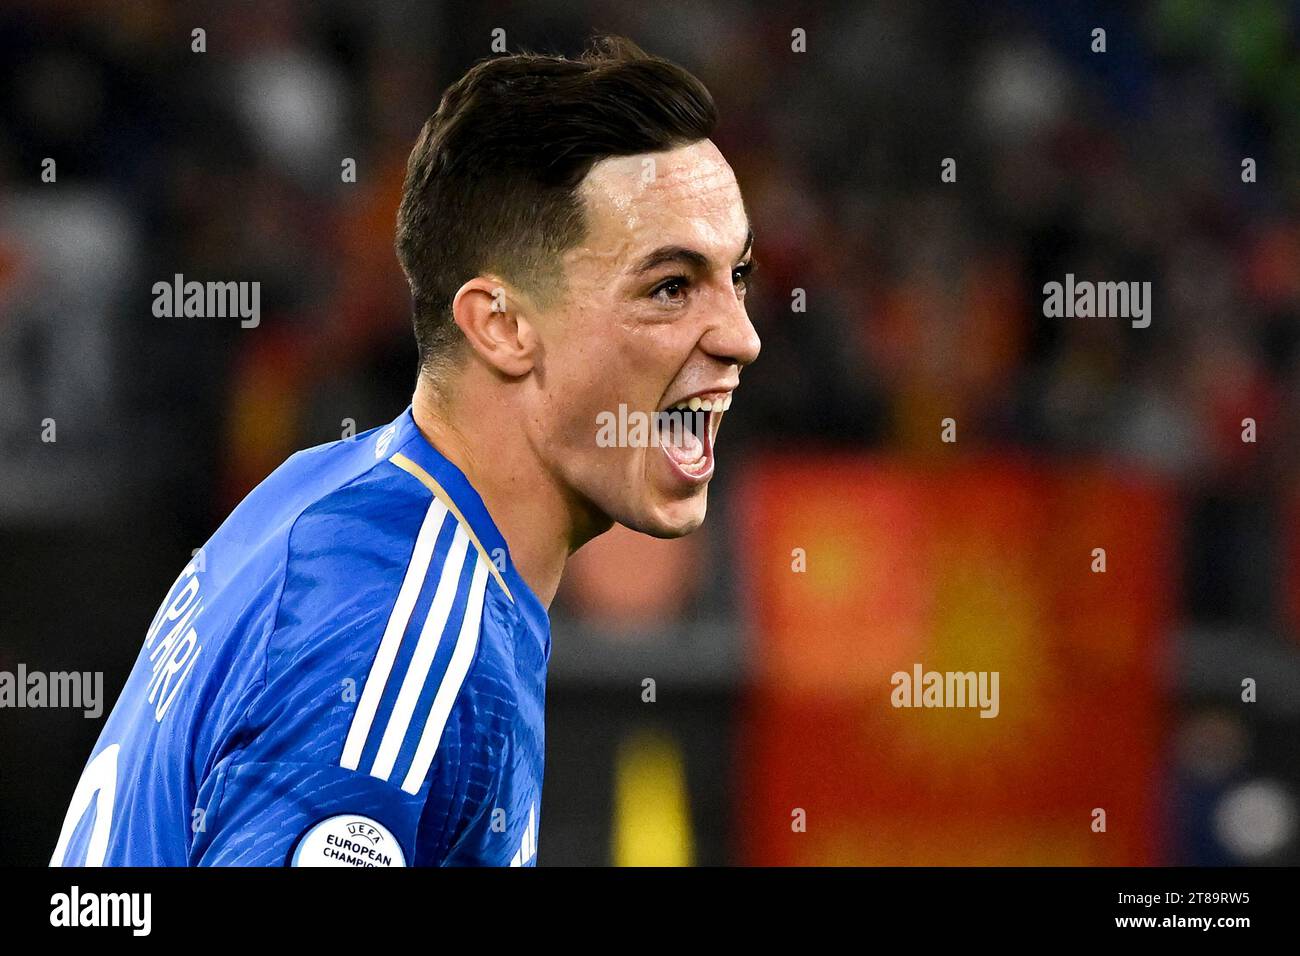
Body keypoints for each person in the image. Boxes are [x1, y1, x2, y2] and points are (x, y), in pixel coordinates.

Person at [50, 35, 759, 867]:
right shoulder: (401, 632)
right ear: (503, 326)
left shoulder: (331, 492)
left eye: (737, 276)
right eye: (670, 286)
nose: (741, 337)